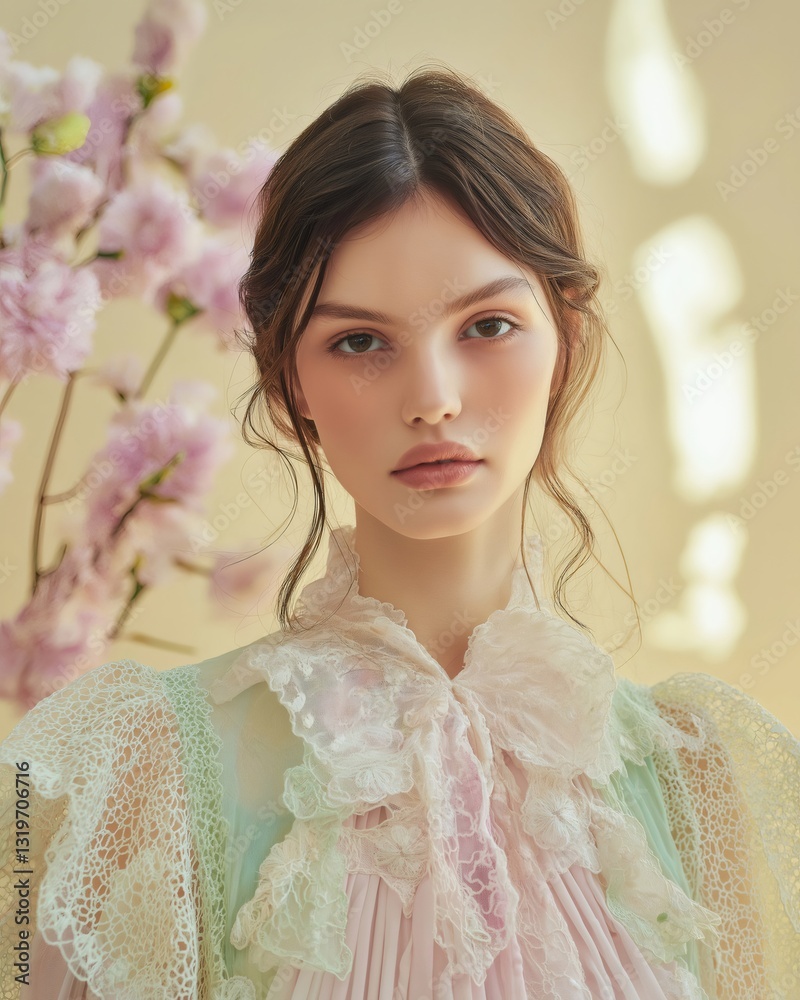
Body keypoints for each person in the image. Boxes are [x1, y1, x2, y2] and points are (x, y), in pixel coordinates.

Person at [1, 65, 798, 1000]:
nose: (434, 400)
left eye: (489, 324)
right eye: (359, 342)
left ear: (565, 340)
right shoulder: (139, 765)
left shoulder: (701, 774)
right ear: (292, 382)